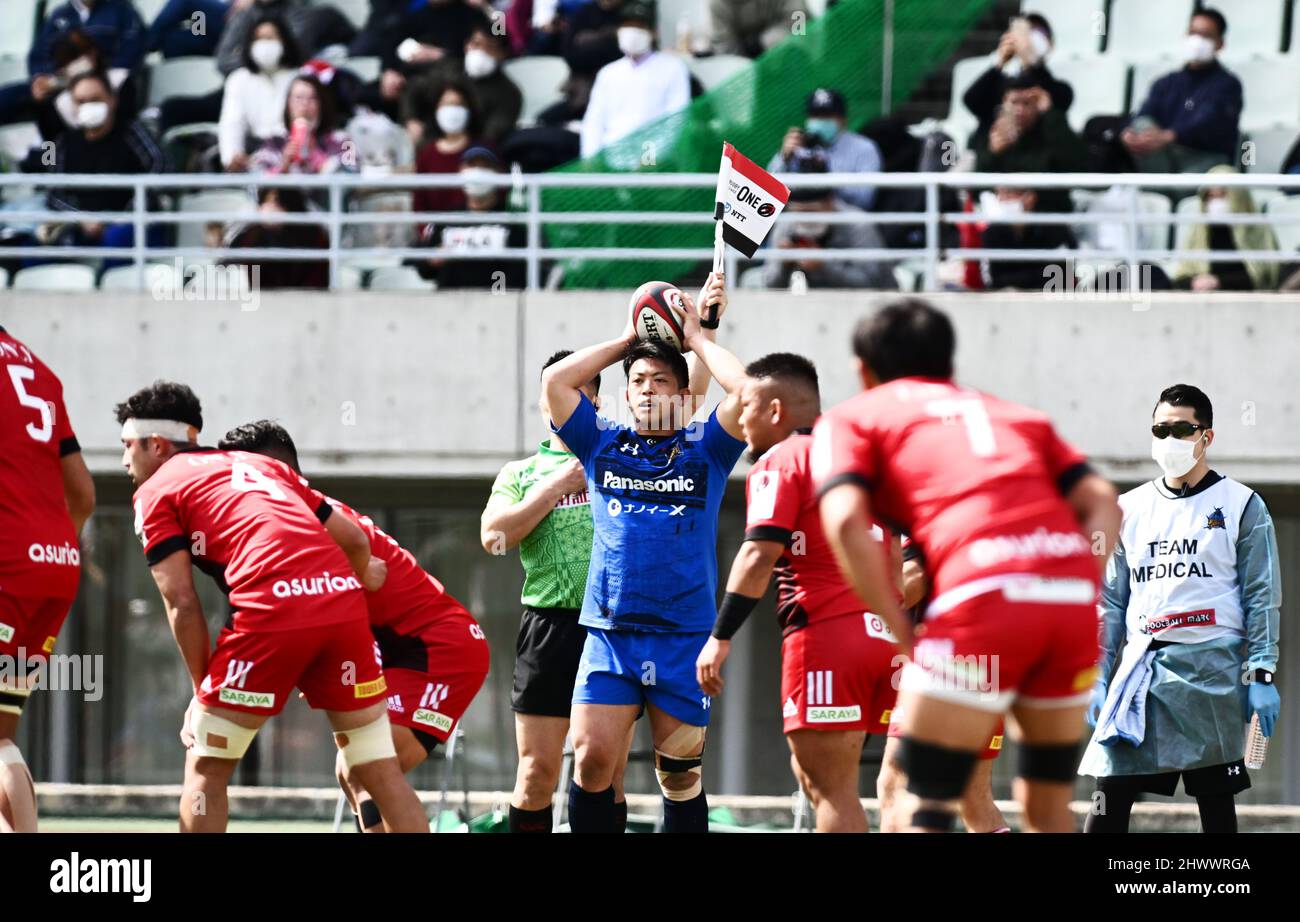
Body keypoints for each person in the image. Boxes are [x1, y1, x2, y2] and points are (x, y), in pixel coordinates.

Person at [812, 298, 1122, 833]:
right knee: (1045, 806)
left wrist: (897, 627)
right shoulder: (1019, 416)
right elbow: (1103, 501)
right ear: (949, 363)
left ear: (863, 370)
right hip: (1070, 606)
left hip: (980, 601)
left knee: (911, 790)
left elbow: (842, 523)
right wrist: (1075, 585)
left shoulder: (853, 417)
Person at [115, 381, 428, 833]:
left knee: (206, 766)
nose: (125, 460)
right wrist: (356, 577)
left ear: (157, 444)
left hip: (271, 610)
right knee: (378, 769)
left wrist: (203, 690)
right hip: (343, 605)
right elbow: (355, 539)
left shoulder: (154, 490)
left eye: (129, 446)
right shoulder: (257, 463)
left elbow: (181, 601)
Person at [218, 420, 490, 834]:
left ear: (274, 471)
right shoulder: (291, 521)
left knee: (365, 770)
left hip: (439, 649)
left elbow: (359, 587)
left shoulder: (311, 522)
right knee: (354, 773)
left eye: (239, 472)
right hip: (393, 652)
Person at [541, 274, 743, 833]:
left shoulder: (708, 448)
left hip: (684, 637)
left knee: (678, 778)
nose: (647, 389)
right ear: (625, 394)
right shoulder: (602, 441)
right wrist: (632, 336)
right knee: (591, 763)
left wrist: (698, 338)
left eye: (660, 380)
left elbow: (748, 394)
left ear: (684, 395)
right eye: (637, 381)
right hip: (610, 634)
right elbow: (557, 382)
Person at [693, 351, 897, 832]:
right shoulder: (863, 459)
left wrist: (720, 637)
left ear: (776, 412)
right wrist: (701, 338)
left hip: (826, 635)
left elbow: (758, 555)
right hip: (887, 639)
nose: (740, 421)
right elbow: (895, 558)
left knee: (829, 788)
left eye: (746, 409)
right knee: (895, 788)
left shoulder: (781, 459)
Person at [1079, 385, 1281, 834]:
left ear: (1206, 437)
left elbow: (1261, 595)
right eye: (1160, 429)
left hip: (1212, 673)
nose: (1169, 439)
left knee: (1216, 805)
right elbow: (1111, 603)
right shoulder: (1128, 509)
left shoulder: (1242, 505)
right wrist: (1097, 673)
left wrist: (1261, 672)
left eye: (1182, 429)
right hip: (1141, 675)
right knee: (1108, 796)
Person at [481, 351, 634, 833]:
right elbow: (494, 538)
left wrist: (703, 331)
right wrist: (557, 485)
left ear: (595, 403)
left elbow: (685, 402)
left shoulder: (619, 457)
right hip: (548, 626)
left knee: (605, 775)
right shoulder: (520, 473)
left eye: (581, 396)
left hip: (610, 630)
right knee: (535, 775)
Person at [0, 325, 95, 833]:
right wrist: (47, 549)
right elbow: (82, 494)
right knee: (0, 735)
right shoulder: (39, 371)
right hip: (53, 565)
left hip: (8, 563)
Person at [876, 538, 1009, 834]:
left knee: (896, 781)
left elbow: (914, 580)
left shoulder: (933, 507)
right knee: (973, 797)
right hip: (988, 654)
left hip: (948, 654)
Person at [43, 71, 167, 255]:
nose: (88, 106)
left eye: (95, 99)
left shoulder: (133, 132)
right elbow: (53, 195)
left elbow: (161, 166)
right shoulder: (59, 144)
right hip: (81, 227)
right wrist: (82, 218)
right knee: (34, 250)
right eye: (81, 101)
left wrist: (120, 217)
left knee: (116, 238)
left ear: (112, 100)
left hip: (131, 225)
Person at [1123, 7, 1241, 174]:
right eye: (1193, 33)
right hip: (1165, 156)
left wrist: (1170, 135)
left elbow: (1209, 122)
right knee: (1141, 125)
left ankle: (1162, 189)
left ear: (1220, 43)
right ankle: (1159, 188)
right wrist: (1129, 133)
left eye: (1206, 35)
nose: (1197, 40)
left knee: (1186, 182)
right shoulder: (1165, 83)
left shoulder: (1228, 85)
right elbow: (1145, 113)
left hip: (1205, 157)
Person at [0, 0, 145, 131]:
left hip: (102, 82)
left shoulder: (123, 11)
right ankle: (48, 155)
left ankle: (54, 153)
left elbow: (131, 55)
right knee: (9, 97)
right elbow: (38, 56)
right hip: (59, 83)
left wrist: (95, 76)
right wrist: (41, 79)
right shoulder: (59, 15)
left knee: (57, 110)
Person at [763, 155, 895, 290]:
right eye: (799, 213)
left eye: (811, 212)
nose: (805, 220)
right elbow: (770, 285)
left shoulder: (857, 225)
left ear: (830, 203)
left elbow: (871, 283)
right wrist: (783, 265)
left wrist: (823, 265)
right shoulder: (787, 225)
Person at [580, 0, 691, 159]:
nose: (632, 32)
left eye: (639, 27)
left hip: (654, 164)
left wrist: (649, 160)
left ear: (653, 32)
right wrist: (589, 159)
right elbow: (594, 121)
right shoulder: (608, 73)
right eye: (627, 26)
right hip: (611, 161)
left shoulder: (673, 68)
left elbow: (676, 120)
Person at [414, 146, 526, 289]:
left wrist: (499, 297)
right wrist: (432, 260)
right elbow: (425, 271)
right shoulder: (447, 219)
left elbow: (518, 273)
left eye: (484, 166)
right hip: (450, 302)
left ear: (497, 173)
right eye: (471, 165)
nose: (477, 172)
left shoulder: (511, 220)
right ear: (461, 172)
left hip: (496, 303)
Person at [974, 74, 1085, 214]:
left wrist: (1050, 114)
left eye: (1027, 103)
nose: (1020, 110)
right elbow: (977, 190)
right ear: (1003, 104)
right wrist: (992, 153)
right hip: (1003, 219)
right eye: (1014, 102)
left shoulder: (1054, 130)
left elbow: (1079, 165)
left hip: (1047, 217)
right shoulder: (991, 135)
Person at [768, 88, 883, 211]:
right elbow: (769, 189)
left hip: (840, 216)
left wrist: (827, 177)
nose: (820, 121)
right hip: (799, 213)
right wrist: (784, 157)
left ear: (843, 120)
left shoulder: (865, 148)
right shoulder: (799, 144)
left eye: (827, 116)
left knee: (862, 226)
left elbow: (864, 200)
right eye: (815, 115)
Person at [962, 12, 1072, 140]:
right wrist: (1000, 62)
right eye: (1026, 33)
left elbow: (1056, 102)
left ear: (1050, 44)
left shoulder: (1059, 91)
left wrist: (1031, 61)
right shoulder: (1000, 85)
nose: (1030, 40)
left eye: (1039, 33)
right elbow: (971, 101)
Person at [1172, 166, 1278, 293]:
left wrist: (1218, 281)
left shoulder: (1256, 228)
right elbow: (1181, 275)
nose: (1216, 203)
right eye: (1211, 197)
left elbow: (1265, 277)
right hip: (1203, 300)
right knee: (1148, 271)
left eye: (1222, 196)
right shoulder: (1199, 231)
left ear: (1238, 196)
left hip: (1247, 302)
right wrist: (1195, 282)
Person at [218, 13, 302, 172]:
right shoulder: (238, 79)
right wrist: (232, 156)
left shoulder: (300, 77)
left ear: (284, 41)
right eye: (259, 39)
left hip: (293, 155)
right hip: (254, 155)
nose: (265, 45)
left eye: (271, 38)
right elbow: (232, 123)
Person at [223, 188, 329, 289]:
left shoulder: (314, 235)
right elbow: (230, 259)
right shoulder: (253, 235)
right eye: (266, 200)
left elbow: (318, 279)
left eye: (276, 201)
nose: (270, 207)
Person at [249, 73, 355, 174]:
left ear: (322, 105)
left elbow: (352, 178)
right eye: (298, 98)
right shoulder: (273, 143)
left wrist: (314, 154)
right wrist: (283, 167)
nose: (305, 105)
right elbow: (256, 181)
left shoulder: (343, 141)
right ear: (288, 105)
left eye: (313, 98)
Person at [979, 186, 1077, 290]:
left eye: (1008, 193)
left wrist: (1017, 281)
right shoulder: (992, 232)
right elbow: (994, 280)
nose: (1001, 199)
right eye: (998, 193)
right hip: (1007, 301)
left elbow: (1062, 273)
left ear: (1030, 198)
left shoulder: (1053, 226)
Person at [412, 80, 485, 215]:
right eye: (445, 104)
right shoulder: (427, 155)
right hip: (437, 231)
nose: (452, 110)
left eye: (458, 104)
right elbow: (419, 204)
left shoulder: (484, 151)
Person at [710, 0, 806, 58]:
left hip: (792, 56)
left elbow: (801, 20)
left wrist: (762, 43)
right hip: (748, 75)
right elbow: (725, 52)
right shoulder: (717, 4)